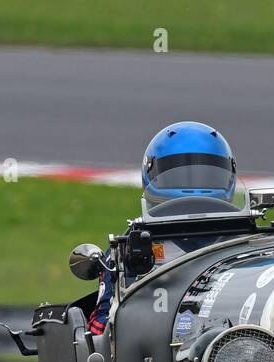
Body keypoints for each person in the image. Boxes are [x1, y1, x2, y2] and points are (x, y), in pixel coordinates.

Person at [88, 122, 238, 334]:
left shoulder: (246, 241)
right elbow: (102, 328)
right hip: (154, 354)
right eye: (178, 173)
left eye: (206, 173)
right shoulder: (132, 249)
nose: (193, 185)